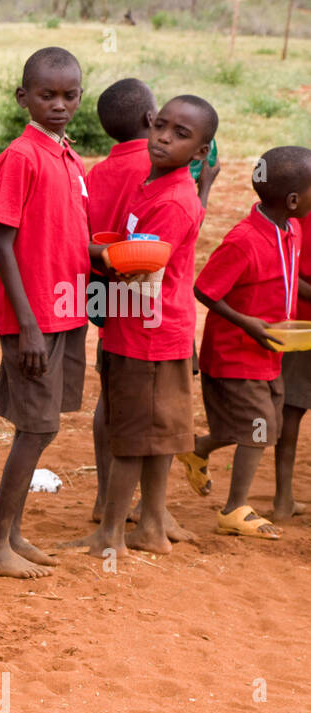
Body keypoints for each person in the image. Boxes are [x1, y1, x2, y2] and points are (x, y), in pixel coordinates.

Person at [69, 96, 216, 556]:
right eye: (161, 125)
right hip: (140, 325)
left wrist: (78, 247)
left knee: (133, 439)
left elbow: (139, 267)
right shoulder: (149, 184)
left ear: (199, 153)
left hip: (148, 333)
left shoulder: (172, 199)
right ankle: (151, 525)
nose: (164, 137)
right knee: (155, 433)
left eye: (180, 134)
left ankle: (110, 533)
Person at [0, 47, 90, 579]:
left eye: (69, 95)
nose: (60, 104)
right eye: (48, 95)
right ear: (24, 98)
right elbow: (1, 244)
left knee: (44, 426)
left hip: (66, 312)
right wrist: (28, 327)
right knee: (34, 428)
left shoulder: (67, 155)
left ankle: (13, 532)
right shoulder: (21, 157)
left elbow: (67, 236)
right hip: (34, 320)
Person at [178, 146, 311, 538]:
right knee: (260, 425)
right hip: (236, 351)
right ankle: (235, 508)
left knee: (260, 425)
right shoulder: (244, 240)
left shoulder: (292, 229)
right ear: (292, 200)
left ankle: (198, 447)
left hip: (268, 349)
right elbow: (205, 289)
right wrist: (248, 324)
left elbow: (287, 279)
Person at [271, 210, 311, 521]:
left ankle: (284, 498)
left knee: (291, 408)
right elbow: (286, 269)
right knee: (292, 407)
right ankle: (283, 498)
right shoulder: (299, 210)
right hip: (303, 324)